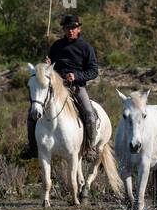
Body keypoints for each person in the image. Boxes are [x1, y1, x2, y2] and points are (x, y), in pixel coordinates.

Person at [23, 13, 100, 160]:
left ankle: (90, 147)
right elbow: (50, 66)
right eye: (67, 28)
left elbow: (93, 71)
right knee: (33, 112)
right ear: (64, 29)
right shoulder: (56, 45)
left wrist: (76, 76)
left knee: (89, 113)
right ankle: (32, 147)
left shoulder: (86, 48)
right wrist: (47, 63)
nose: (70, 30)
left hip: (76, 87)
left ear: (79, 29)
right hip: (55, 88)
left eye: (73, 27)